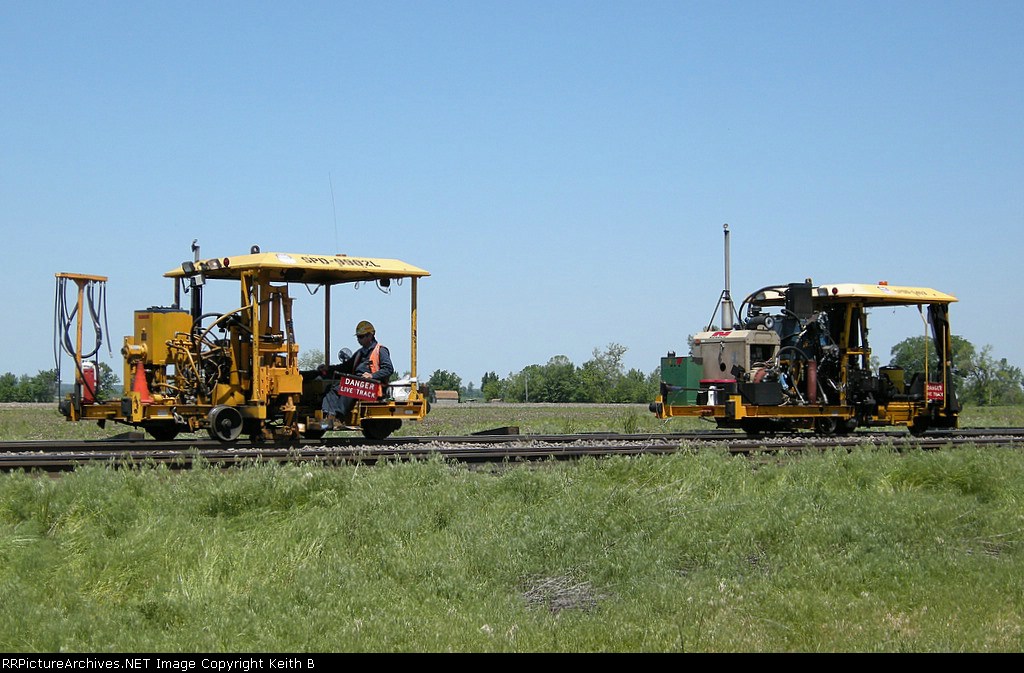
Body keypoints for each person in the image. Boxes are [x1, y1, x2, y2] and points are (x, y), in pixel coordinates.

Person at [321, 320, 394, 429]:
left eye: (361, 337)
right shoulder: (360, 353)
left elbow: (389, 369)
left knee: (349, 387)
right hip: (358, 383)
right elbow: (344, 367)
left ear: (370, 335)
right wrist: (327, 369)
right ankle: (329, 416)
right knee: (332, 388)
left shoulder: (380, 350)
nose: (359, 340)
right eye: (358, 337)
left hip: (373, 386)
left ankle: (339, 418)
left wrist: (372, 376)